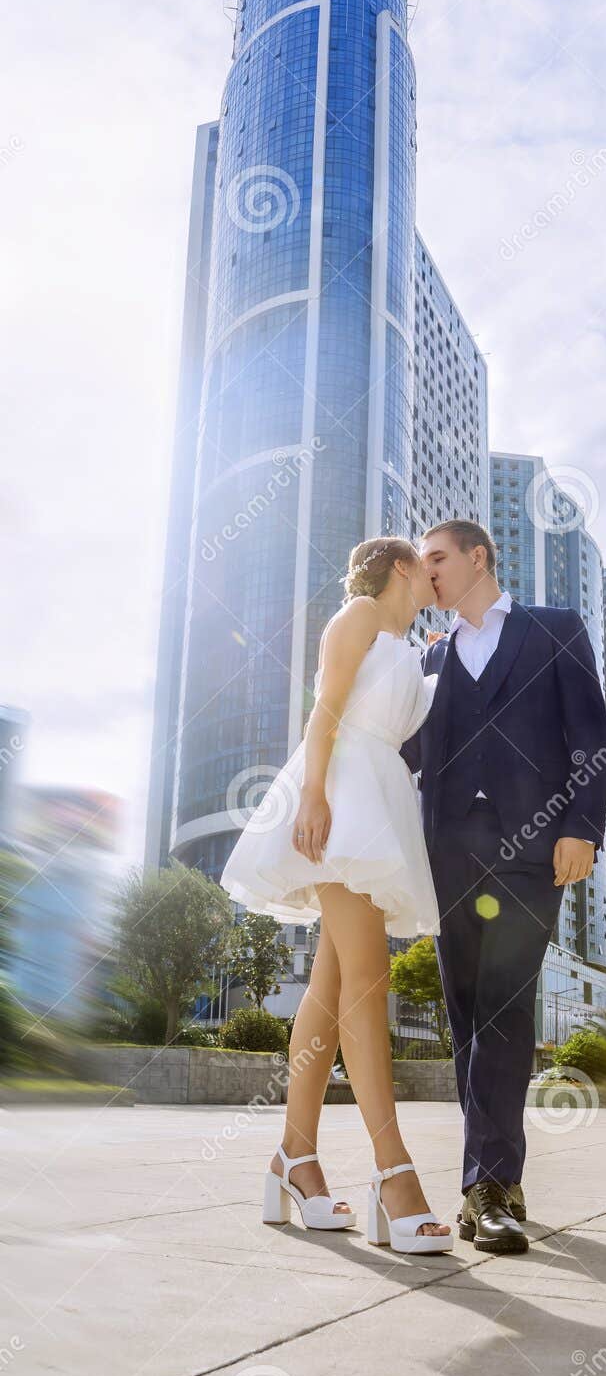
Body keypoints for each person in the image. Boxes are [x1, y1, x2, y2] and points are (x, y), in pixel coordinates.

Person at [220, 536, 452, 1255]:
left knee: (329, 989)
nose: (436, 574)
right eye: (428, 562)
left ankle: (295, 1161)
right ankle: (394, 1173)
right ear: (402, 569)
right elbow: (323, 711)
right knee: (367, 982)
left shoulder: (409, 643)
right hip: (342, 796)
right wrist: (314, 796)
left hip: (381, 796)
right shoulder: (355, 614)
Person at [401, 519, 606, 1255]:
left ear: (476, 557)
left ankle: (489, 1184)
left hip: (532, 848)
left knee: (504, 1003)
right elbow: (406, 753)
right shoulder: (429, 654)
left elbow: (590, 735)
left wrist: (582, 826)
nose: (425, 572)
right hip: (447, 852)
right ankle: (488, 1184)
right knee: (466, 1012)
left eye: (435, 558)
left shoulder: (553, 628)